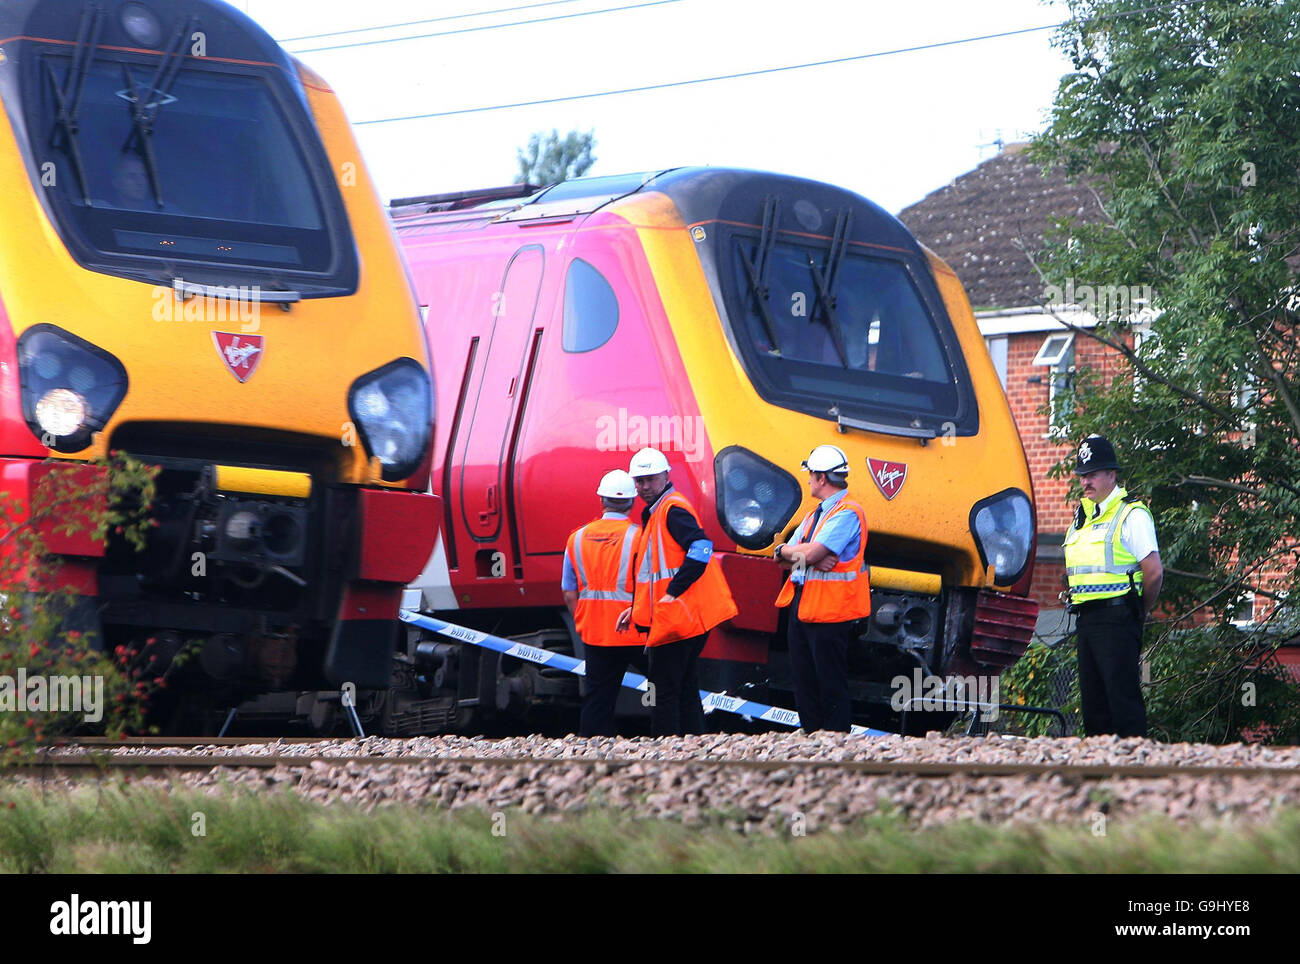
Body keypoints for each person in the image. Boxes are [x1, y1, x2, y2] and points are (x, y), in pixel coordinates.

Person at [615, 447, 737, 737]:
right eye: (640, 481)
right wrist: (637, 609)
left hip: (677, 617)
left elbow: (702, 547)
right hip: (680, 615)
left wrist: (673, 591)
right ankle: (692, 741)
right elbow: (654, 574)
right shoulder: (659, 511)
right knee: (683, 685)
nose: (645, 486)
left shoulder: (671, 509)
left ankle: (665, 743)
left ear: (666, 476)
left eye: (650, 479)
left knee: (662, 688)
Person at [1062, 434, 1163, 738]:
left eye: (1092, 474)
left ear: (1111, 474)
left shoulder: (1131, 514)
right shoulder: (1082, 518)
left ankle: (1133, 762)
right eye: (1083, 475)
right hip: (1086, 619)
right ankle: (1101, 764)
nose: (1086, 481)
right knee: (1094, 707)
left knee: (1122, 703)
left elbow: (1154, 572)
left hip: (1118, 616)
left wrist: (1140, 610)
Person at [773, 444, 870, 732]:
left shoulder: (847, 513)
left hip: (831, 609)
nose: (808, 481)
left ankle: (835, 737)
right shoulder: (813, 516)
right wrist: (789, 551)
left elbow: (811, 553)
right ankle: (812, 734)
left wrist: (801, 552)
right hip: (803, 603)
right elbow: (780, 559)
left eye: (811, 475)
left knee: (829, 678)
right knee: (803, 676)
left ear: (822, 478)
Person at [562, 470, 645, 737]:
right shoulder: (640, 537)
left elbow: (569, 592)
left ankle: (593, 745)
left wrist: (582, 622)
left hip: (595, 632)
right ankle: (672, 737)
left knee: (598, 697)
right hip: (635, 630)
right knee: (665, 684)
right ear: (632, 502)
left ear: (601, 500)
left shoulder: (576, 538)